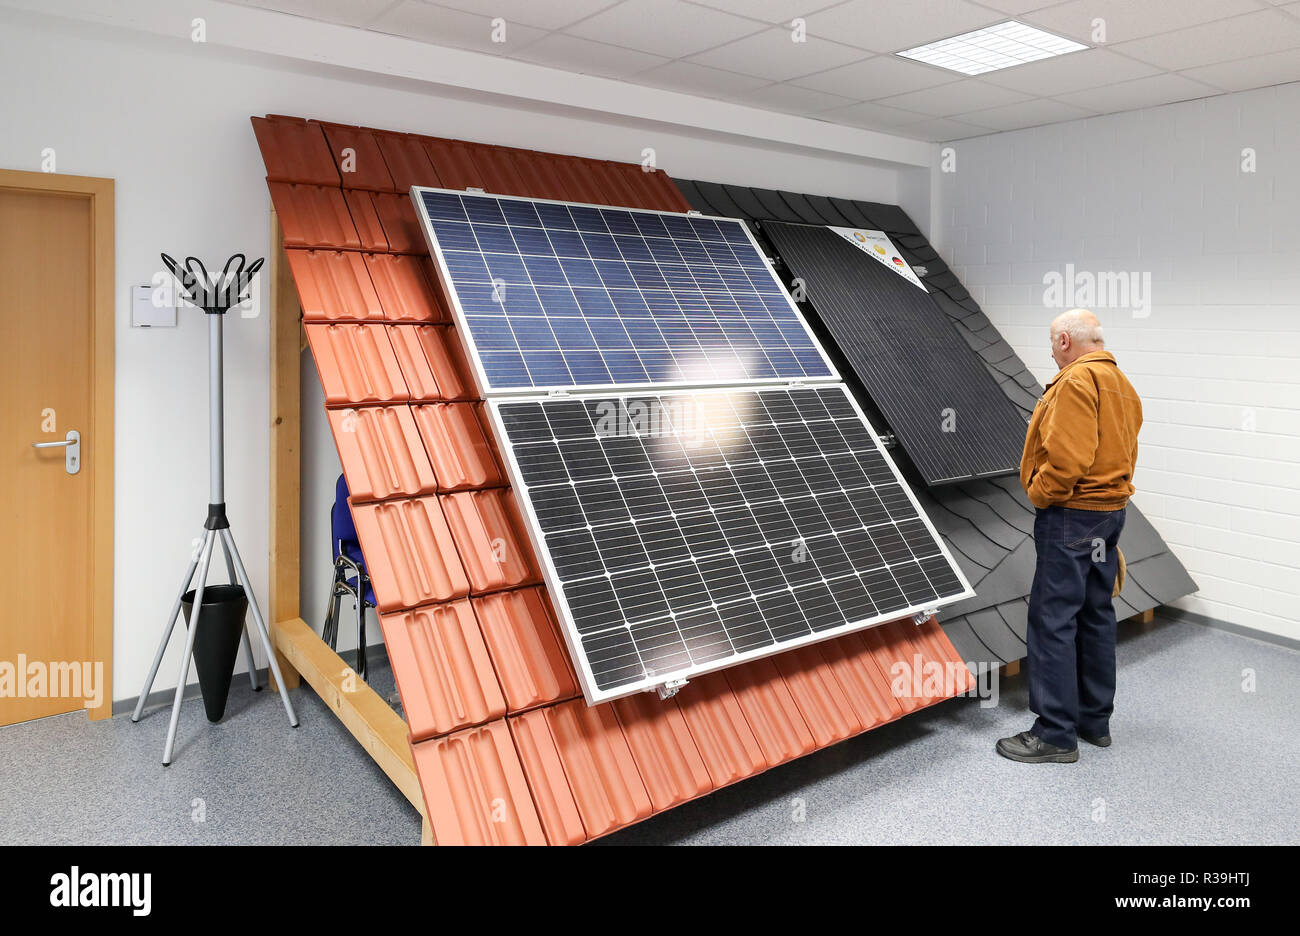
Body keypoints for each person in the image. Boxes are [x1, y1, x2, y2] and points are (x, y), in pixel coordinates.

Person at [997, 309, 1143, 764]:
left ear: (1064, 340)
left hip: (1072, 517)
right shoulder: (1122, 384)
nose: (1051, 352)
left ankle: (1055, 733)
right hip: (1110, 513)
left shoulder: (1077, 383)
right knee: (1096, 612)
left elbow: (1066, 459)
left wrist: (1042, 494)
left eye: (1051, 343)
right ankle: (1093, 722)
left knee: (1053, 620)